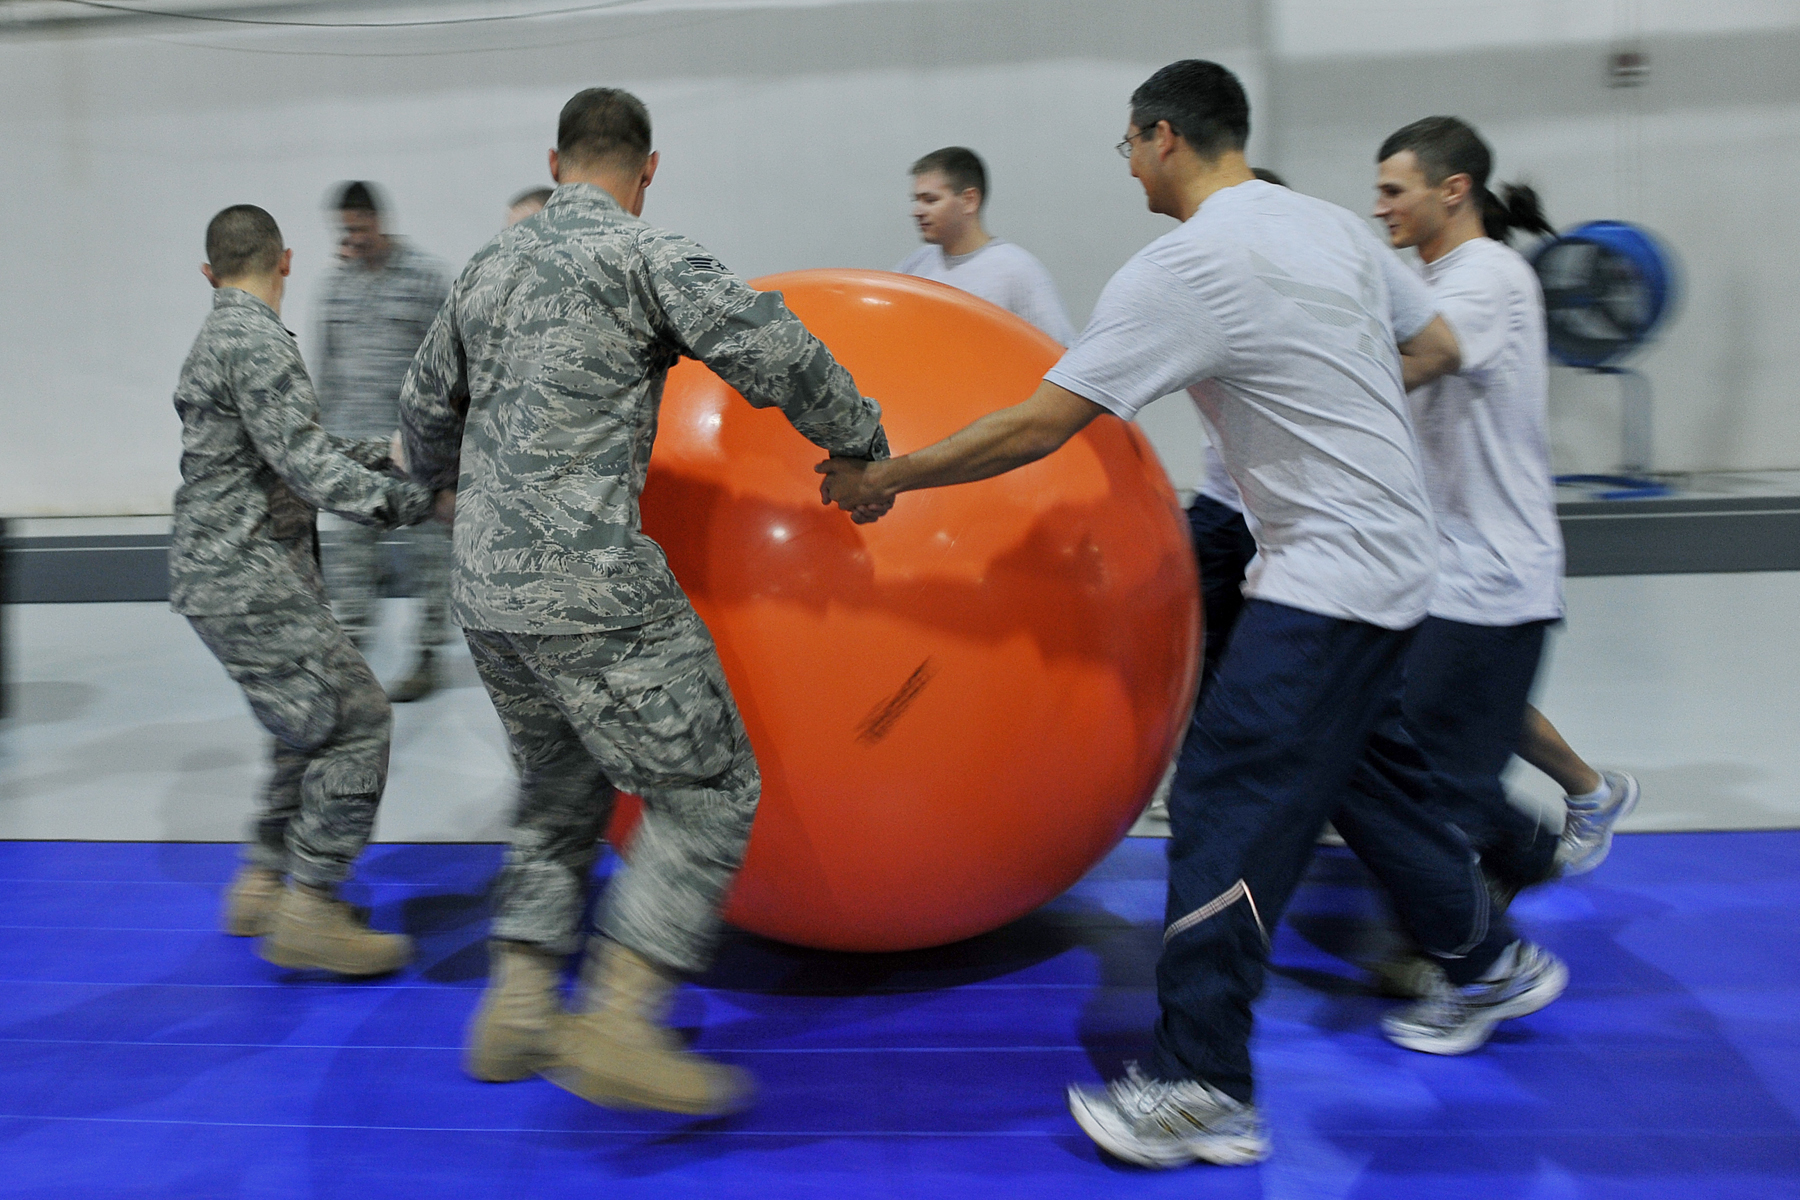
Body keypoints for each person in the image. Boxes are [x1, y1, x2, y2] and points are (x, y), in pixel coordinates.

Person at [820, 60, 1566, 1168]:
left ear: (1163, 137)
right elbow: (1432, 347)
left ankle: (1202, 1082)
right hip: (1401, 556)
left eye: (1127, 147)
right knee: (1363, 767)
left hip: (1332, 574)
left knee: (1225, 793)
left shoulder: (1189, 265)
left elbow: (1040, 424)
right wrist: (1328, 414)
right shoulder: (1329, 228)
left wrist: (893, 478)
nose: (1126, 170)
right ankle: (1488, 957)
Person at [399, 87, 888, 1116]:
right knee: (708, 789)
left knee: (559, 791)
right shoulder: (646, 254)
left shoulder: (487, 267)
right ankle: (622, 1019)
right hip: (589, 587)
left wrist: (450, 491)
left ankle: (521, 1006)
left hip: (486, 596)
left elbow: (420, 410)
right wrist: (861, 443)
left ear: (558, 157)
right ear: (646, 168)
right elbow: (778, 352)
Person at [1371, 116, 1639, 907]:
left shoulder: (1484, 276)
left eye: (1394, 190)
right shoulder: (1430, 276)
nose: (1380, 206)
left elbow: (1429, 358)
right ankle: (1586, 794)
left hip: (1488, 570)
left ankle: (1502, 900)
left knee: (1432, 763)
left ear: (1452, 191)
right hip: (1442, 565)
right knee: (1456, 717)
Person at [171, 205, 439, 975]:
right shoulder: (256, 341)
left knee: (307, 724)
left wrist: (390, 452)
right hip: (249, 576)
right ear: (286, 260)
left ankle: (262, 883)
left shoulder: (222, 334)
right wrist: (420, 500)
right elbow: (310, 471)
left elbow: (300, 446)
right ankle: (312, 906)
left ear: (207, 272)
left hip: (222, 574)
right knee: (358, 722)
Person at [314, 181, 453, 701]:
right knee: (349, 555)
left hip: (415, 448)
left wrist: (449, 452)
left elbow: (451, 363)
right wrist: (320, 444)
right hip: (353, 450)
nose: (351, 238)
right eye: (343, 230)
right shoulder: (335, 286)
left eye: (358, 227)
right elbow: (325, 368)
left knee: (431, 554)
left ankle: (427, 654)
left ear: (379, 220)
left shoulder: (426, 279)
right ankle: (351, 651)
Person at [896, 146, 1078, 344]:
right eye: (916, 200)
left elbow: (1060, 357)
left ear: (969, 200)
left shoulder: (1017, 271)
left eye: (930, 200)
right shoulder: (916, 264)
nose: (917, 211)